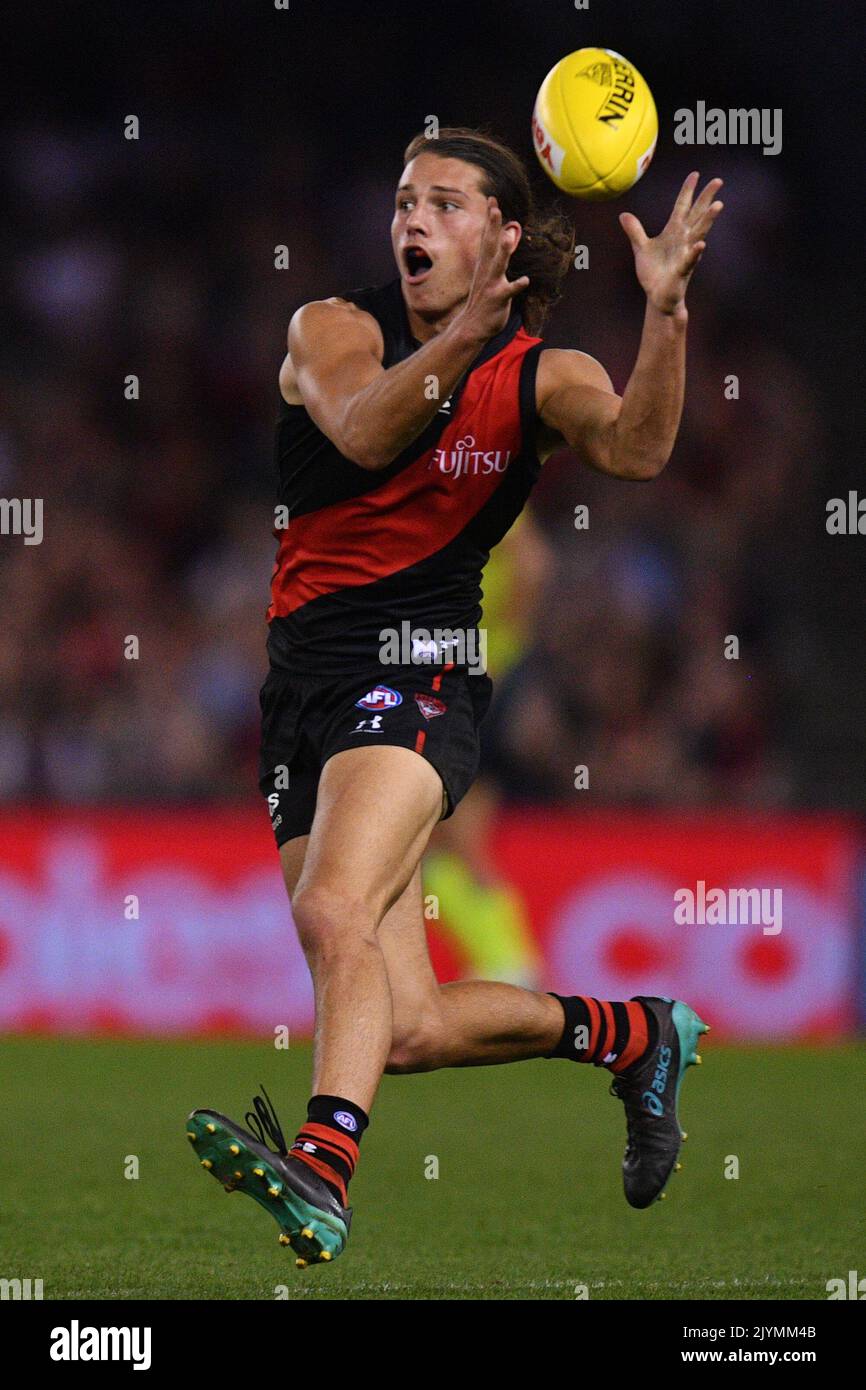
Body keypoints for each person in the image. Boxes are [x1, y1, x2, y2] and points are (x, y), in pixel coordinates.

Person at [186, 127, 720, 1266]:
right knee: (411, 1025)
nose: (411, 220)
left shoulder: (537, 373)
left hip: (420, 668)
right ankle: (633, 1033)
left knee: (331, 911)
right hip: (299, 691)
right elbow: (367, 428)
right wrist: (468, 334)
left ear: (501, 233)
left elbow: (635, 449)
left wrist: (664, 312)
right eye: (401, 200)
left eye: (442, 201)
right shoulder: (333, 329)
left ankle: (323, 1172)